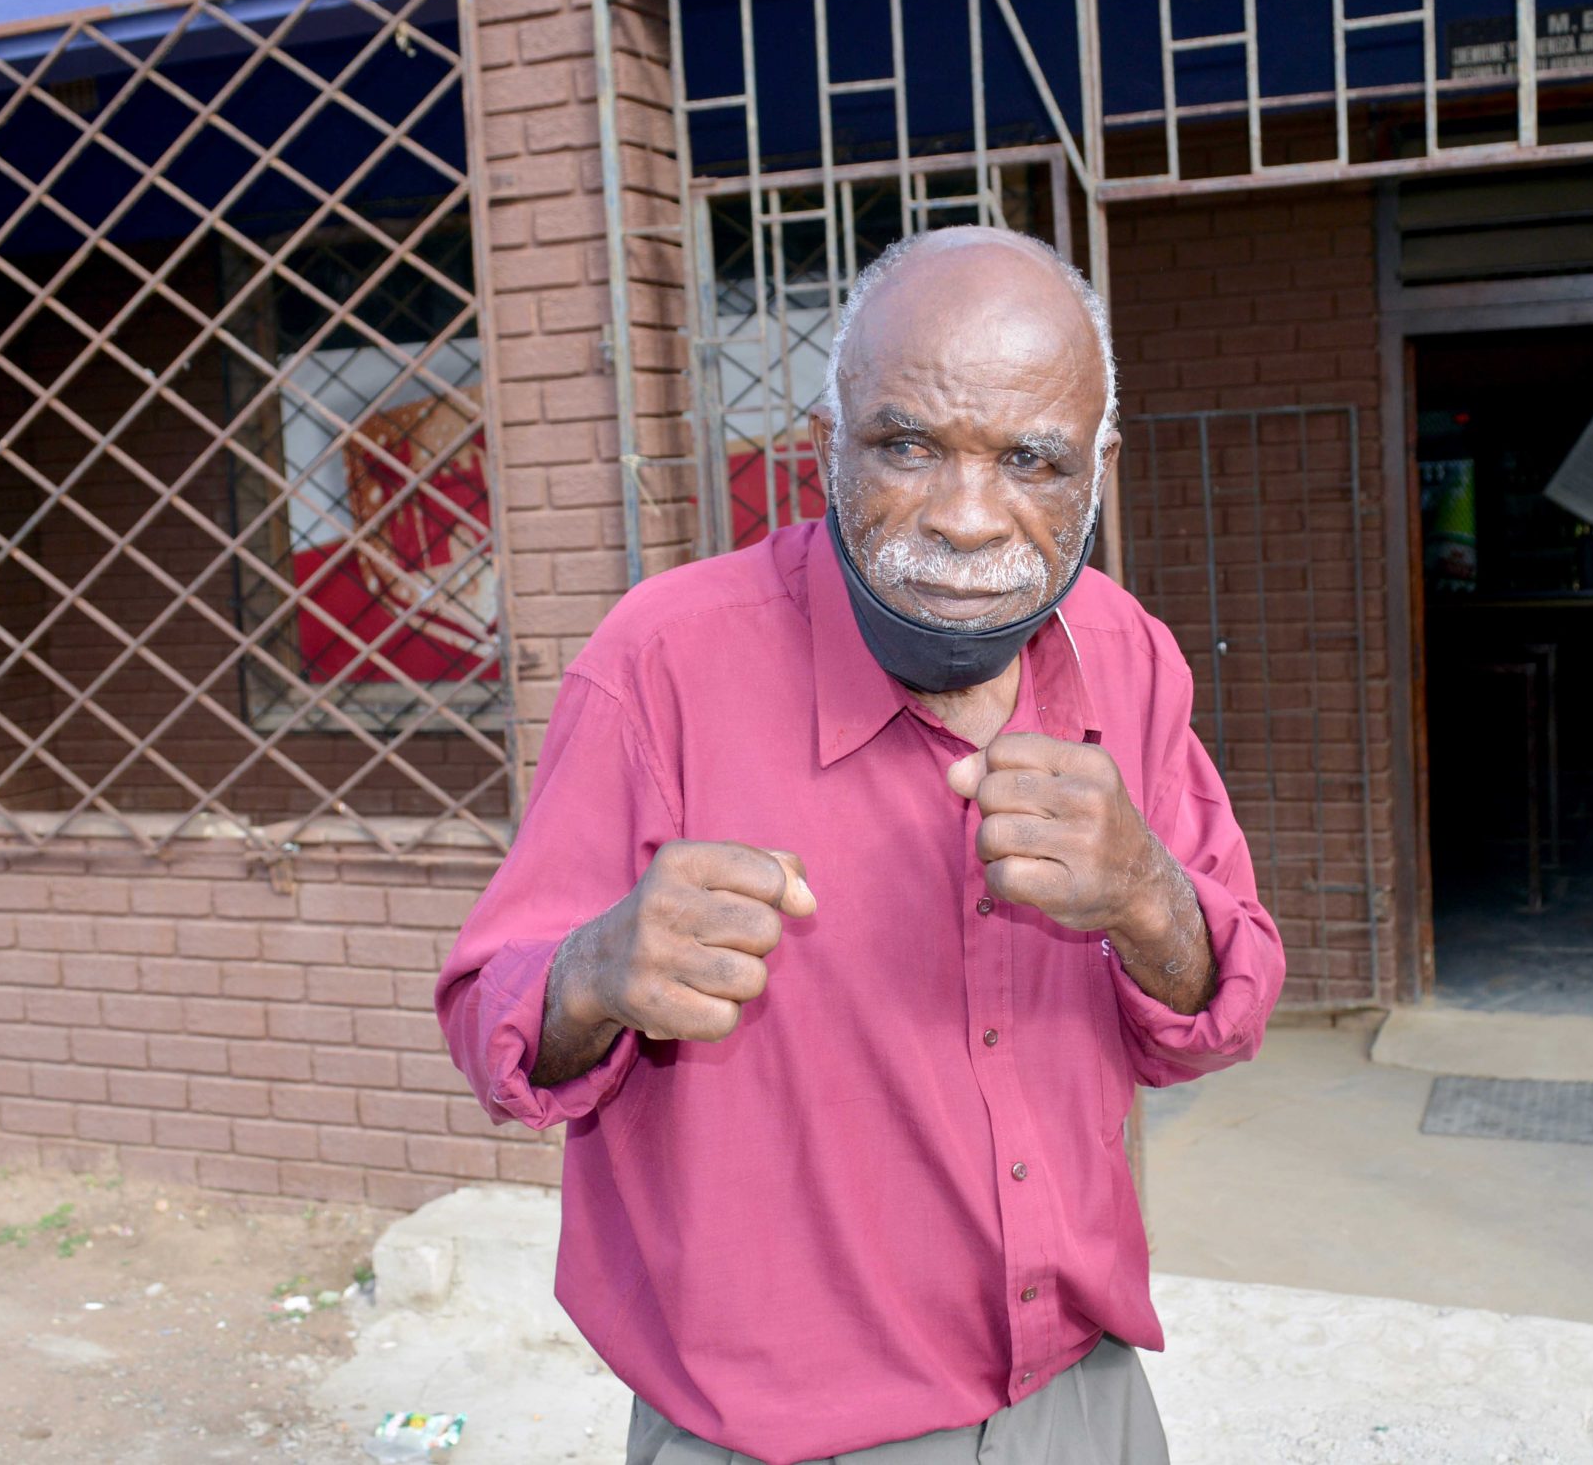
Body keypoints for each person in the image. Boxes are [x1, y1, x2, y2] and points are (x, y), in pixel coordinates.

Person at [434, 225, 1284, 1465]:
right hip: (781, 1434)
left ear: (1096, 468)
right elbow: (491, 1023)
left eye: (1031, 460)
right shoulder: (662, 663)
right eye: (906, 446)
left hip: (1082, 1402)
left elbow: (1229, 1001)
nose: (966, 515)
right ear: (827, 446)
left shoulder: (1128, 650)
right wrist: (598, 970)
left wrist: (1146, 894)